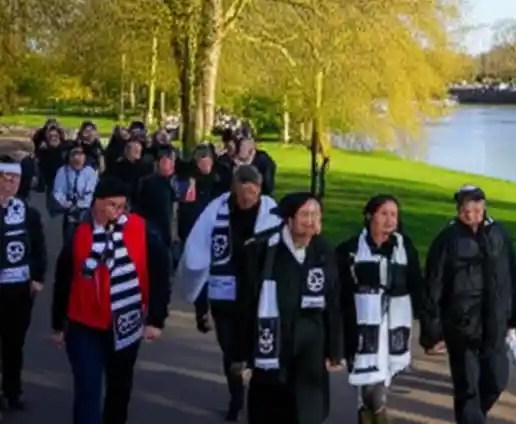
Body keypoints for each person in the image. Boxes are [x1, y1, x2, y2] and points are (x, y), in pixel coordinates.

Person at [51, 175, 170, 424]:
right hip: (84, 325)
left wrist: (156, 319)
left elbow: (160, 274)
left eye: (122, 206)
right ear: (96, 203)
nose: (117, 212)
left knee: (119, 388)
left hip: (126, 322)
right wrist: (58, 324)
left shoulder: (141, 229)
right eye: (112, 205)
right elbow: (63, 279)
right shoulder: (79, 231)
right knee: (87, 389)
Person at [178, 165, 279, 421]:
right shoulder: (216, 211)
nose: (249, 200)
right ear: (234, 189)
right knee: (231, 351)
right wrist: (202, 308)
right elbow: (197, 257)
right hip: (225, 295)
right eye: (244, 194)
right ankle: (236, 395)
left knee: (259, 348)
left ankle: (256, 396)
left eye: (253, 194)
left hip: (258, 295)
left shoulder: (271, 212)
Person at [235, 192, 343, 424]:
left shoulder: (323, 251)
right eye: (305, 214)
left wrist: (335, 349)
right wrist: (243, 353)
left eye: (316, 215)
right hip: (273, 339)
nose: (311, 221)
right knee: (271, 406)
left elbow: (333, 301)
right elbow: (246, 304)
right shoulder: (263, 250)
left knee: (308, 409)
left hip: (311, 341)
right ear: (289, 220)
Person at [422, 185, 516, 424]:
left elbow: (513, 275)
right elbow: (433, 286)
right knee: (467, 387)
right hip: (461, 326)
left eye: (477, 208)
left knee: (497, 379)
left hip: (495, 323)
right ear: (459, 211)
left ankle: (473, 416)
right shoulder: (447, 240)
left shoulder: (499, 234)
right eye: (466, 209)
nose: (472, 214)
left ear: (484, 207)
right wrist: (431, 331)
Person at [336, 196, 426, 424]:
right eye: (384, 214)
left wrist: (430, 327)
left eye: (394, 214)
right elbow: (339, 294)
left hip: (394, 327)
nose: (389, 220)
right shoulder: (350, 250)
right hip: (361, 329)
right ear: (369, 216)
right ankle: (376, 415)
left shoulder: (405, 248)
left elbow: (417, 285)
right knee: (371, 389)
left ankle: (369, 415)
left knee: (379, 385)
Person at [0, 155, 47, 411]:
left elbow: (39, 247)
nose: (10, 184)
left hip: (18, 288)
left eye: (14, 179)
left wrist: (38, 278)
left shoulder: (28, 213)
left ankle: (12, 391)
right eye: (5, 178)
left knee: (14, 342)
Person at [51, 145, 100, 243]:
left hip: (86, 210)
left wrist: (80, 205)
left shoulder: (90, 172)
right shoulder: (63, 171)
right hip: (69, 210)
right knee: (69, 241)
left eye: (80, 154)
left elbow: (91, 192)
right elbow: (58, 192)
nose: (77, 158)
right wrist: (69, 206)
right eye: (74, 154)